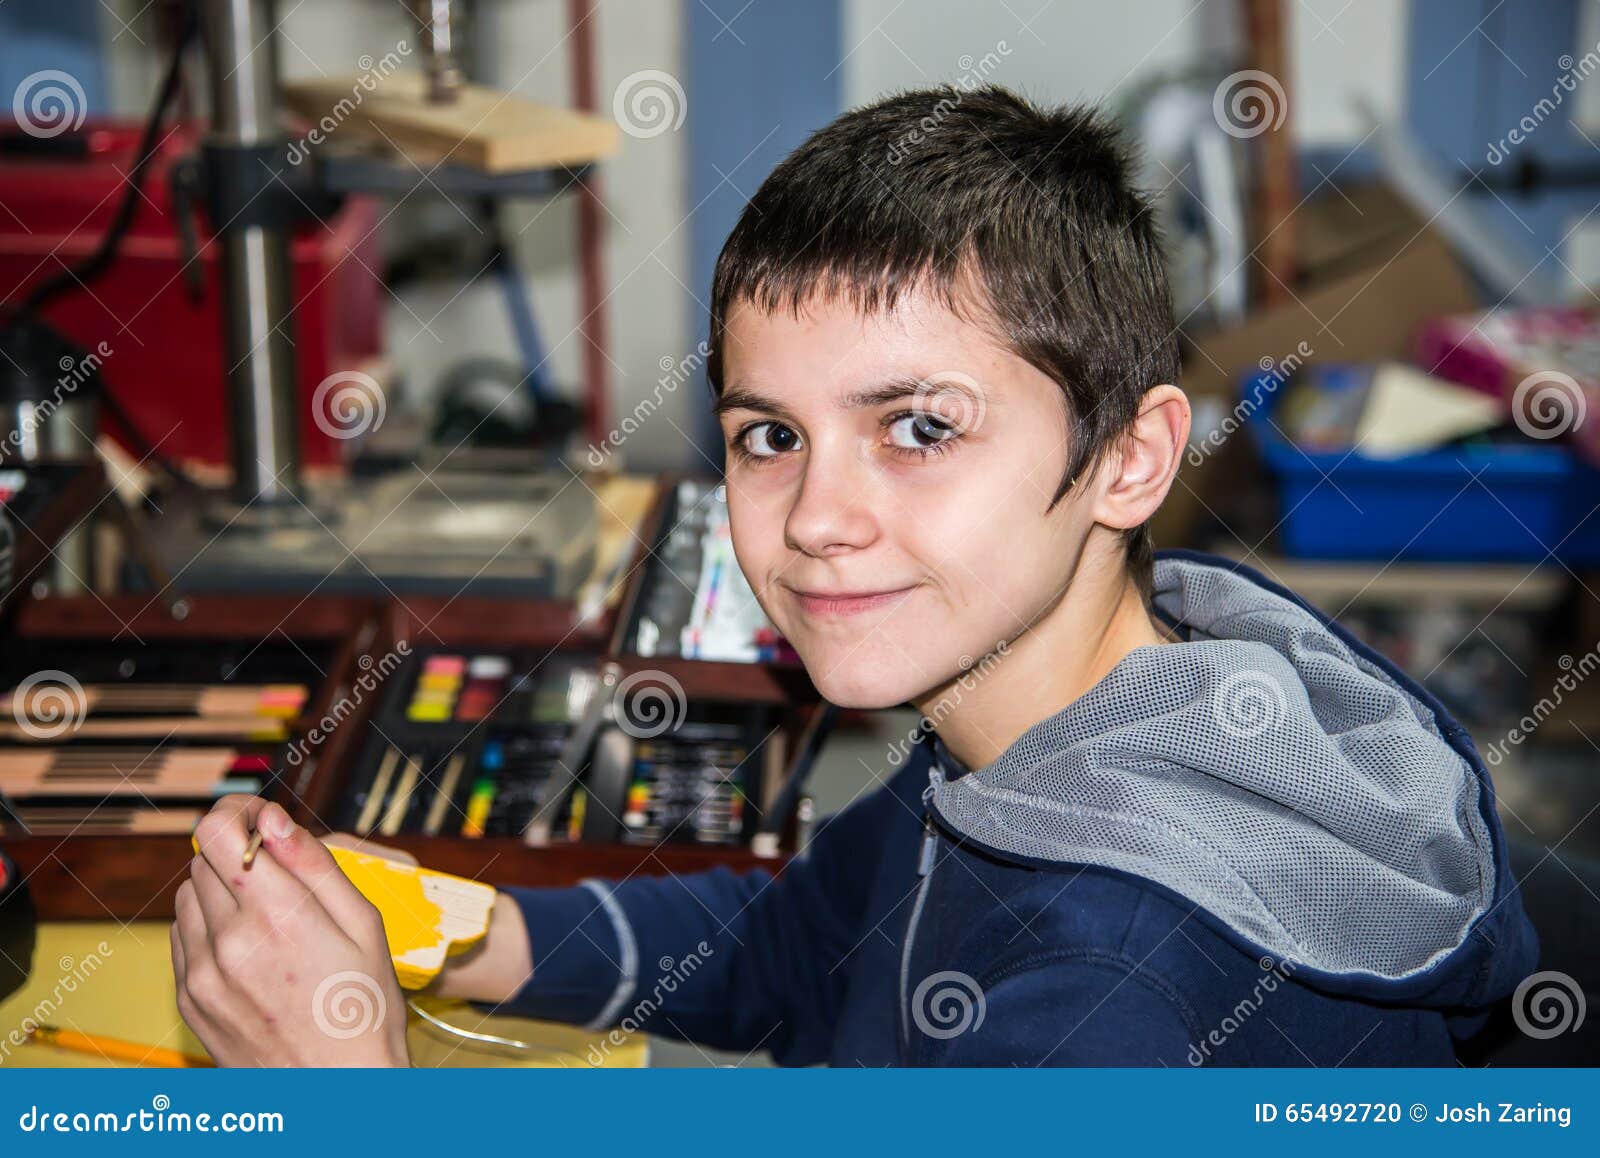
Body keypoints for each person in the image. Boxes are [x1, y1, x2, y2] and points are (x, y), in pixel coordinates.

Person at [172, 86, 1538, 1067]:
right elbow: (806, 937)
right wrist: (451, 928)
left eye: (920, 428)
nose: (819, 516)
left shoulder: (1102, 1007)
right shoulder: (1094, 690)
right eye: (772, 436)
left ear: (1130, 460)